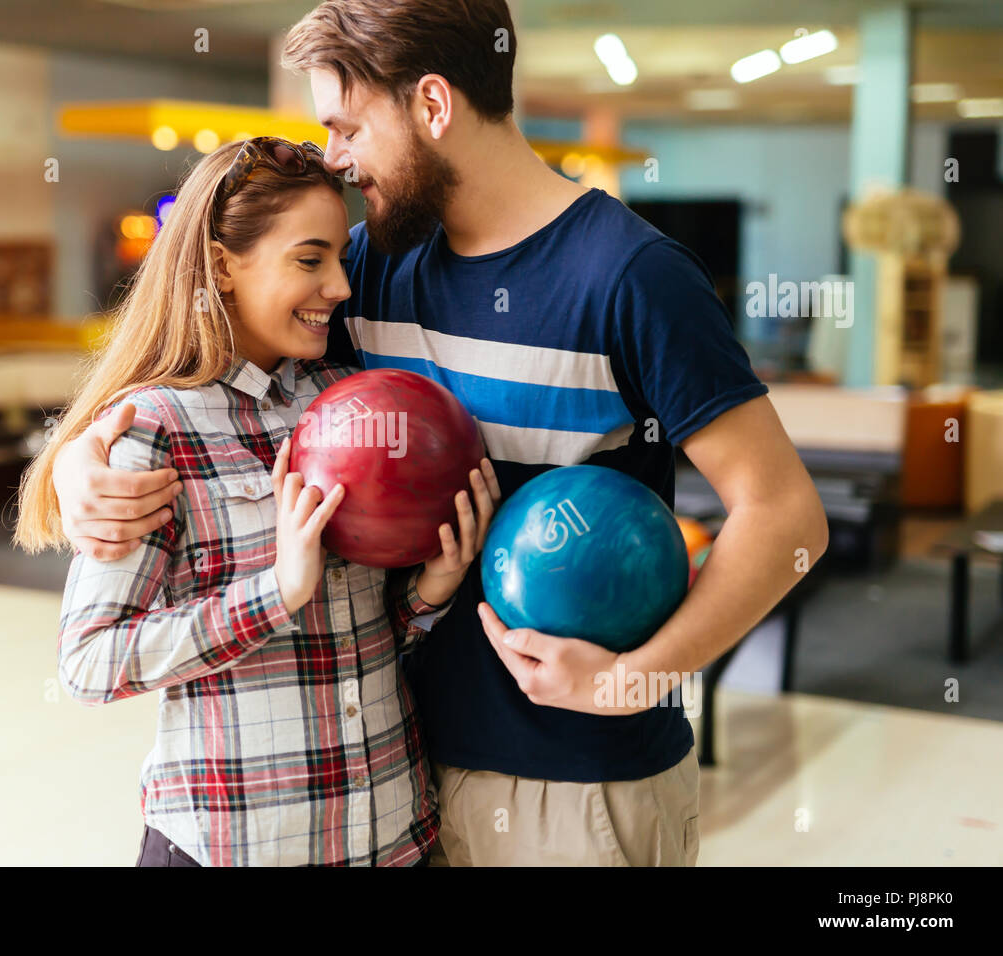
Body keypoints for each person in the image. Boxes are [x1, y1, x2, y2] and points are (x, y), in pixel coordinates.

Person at [50, 0, 829, 867]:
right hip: (390, 791)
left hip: (567, 788)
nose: (336, 157)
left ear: (431, 105)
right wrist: (79, 461)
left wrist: (628, 683)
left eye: (346, 125)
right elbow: (199, 365)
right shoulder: (367, 269)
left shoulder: (633, 278)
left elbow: (785, 515)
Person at [14, 136, 500, 866]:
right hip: (241, 846)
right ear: (221, 265)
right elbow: (91, 662)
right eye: (310, 261)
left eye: (339, 258)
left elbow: (352, 637)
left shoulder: (347, 398)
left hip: (394, 837)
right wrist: (275, 592)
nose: (339, 285)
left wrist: (428, 593)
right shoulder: (157, 427)